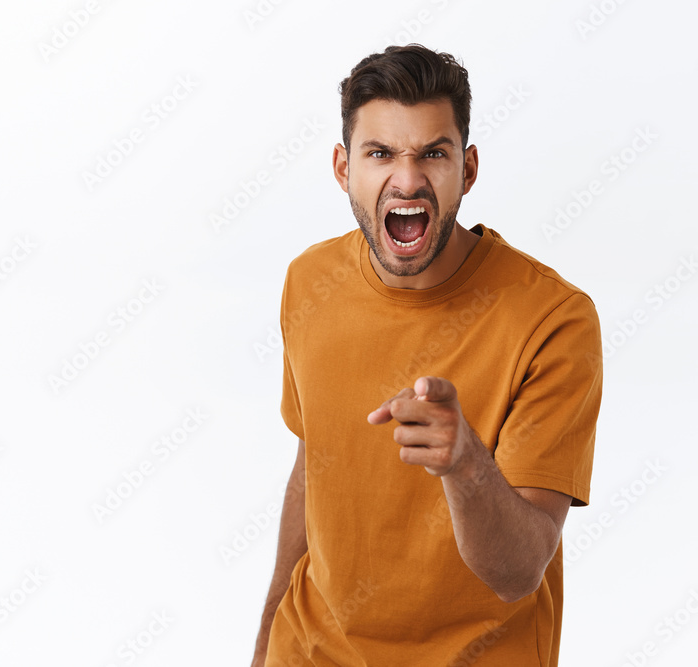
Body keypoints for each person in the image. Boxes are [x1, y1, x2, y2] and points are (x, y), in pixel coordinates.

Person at [250, 44, 603, 666]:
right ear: (342, 168)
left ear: (466, 170)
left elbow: (519, 570)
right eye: (380, 153)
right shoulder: (310, 282)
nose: (407, 179)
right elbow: (314, 462)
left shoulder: (553, 320)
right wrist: (266, 640)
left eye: (432, 154)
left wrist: (465, 462)